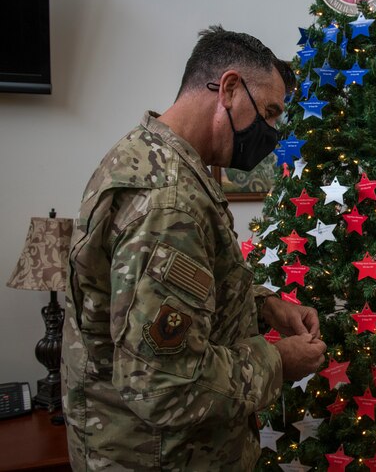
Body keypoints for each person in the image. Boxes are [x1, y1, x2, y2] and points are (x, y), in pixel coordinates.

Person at [63, 26, 327, 471]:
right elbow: (163, 386)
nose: (272, 133)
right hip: (160, 456)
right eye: (269, 112)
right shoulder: (170, 199)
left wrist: (266, 306)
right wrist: (277, 360)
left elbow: (179, 293)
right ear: (228, 88)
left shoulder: (147, 155)